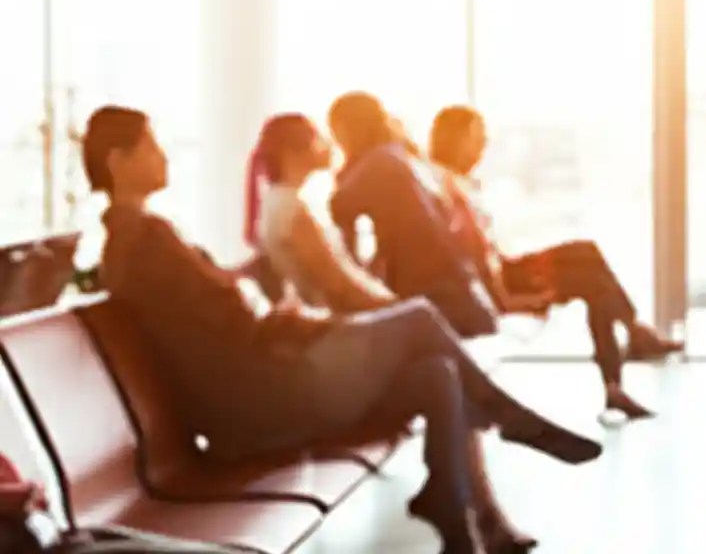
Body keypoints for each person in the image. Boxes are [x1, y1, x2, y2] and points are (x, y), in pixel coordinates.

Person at [87, 106, 600, 554]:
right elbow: (235, 316)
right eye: (149, 145)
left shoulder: (134, 242)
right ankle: (504, 417)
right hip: (260, 403)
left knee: (436, 373)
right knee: (420, 318)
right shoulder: (144, 240)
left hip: (257, 387)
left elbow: (223, 312)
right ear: (117, 161)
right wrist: (272, 311)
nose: (162, 154)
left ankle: (456, 512)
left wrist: (258, 304)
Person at [428, 105, 685, 420]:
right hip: (503, 280)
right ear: (456, 140)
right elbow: (475, 260)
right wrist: (508, 301)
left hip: (505, 268)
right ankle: (625, 358)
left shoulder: (460, 182)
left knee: (589, 259)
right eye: (477, 138)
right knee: (594, 282)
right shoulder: (447, 186)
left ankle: (627, 352)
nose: (484, 146)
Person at [327, 93, 502, 340]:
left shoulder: (380, 162)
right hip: (465, 300)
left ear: (348, 129)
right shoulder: (404, 157)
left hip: (443, 305)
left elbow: (336, 210)